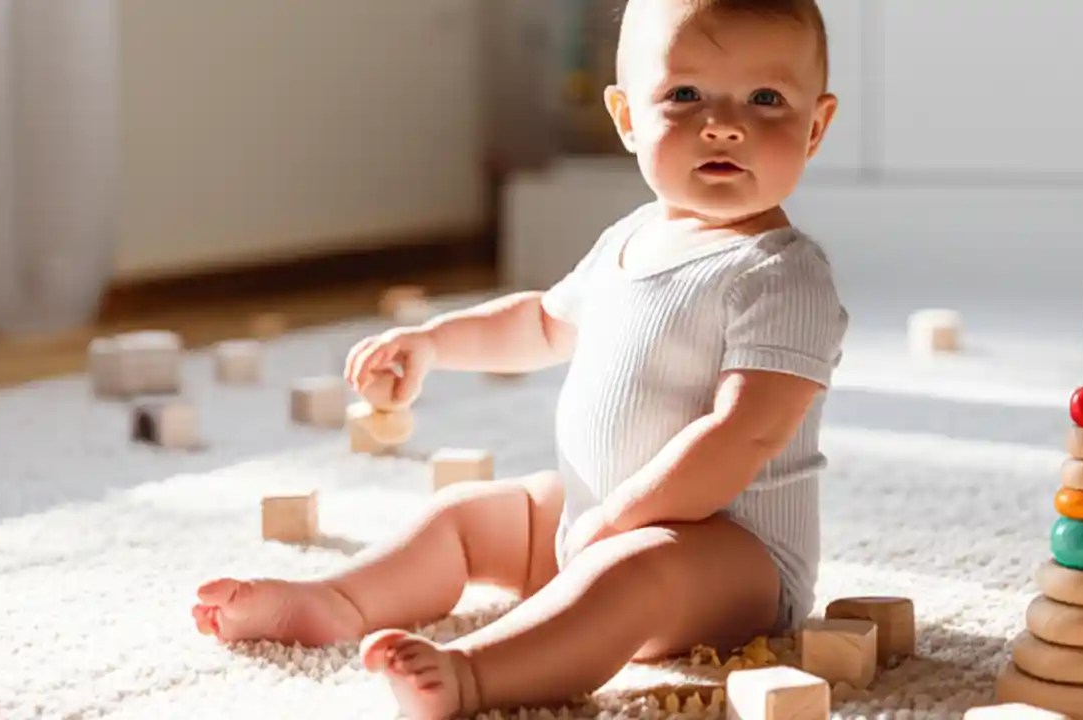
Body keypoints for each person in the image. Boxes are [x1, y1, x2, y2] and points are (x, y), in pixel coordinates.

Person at [191, 0, 848, 716]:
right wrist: (435, 342)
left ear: (814, 128)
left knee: (635, 575)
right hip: (598, 514)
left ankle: (475, 675)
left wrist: (625, 516)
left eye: (766, 99)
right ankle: (337, 602)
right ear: (627, 118)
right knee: (466, 516)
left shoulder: (781, 273)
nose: (723, 123)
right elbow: (539, 321)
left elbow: (743, 432)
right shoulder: (632, 237)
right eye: (685, 95)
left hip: (731, 558)